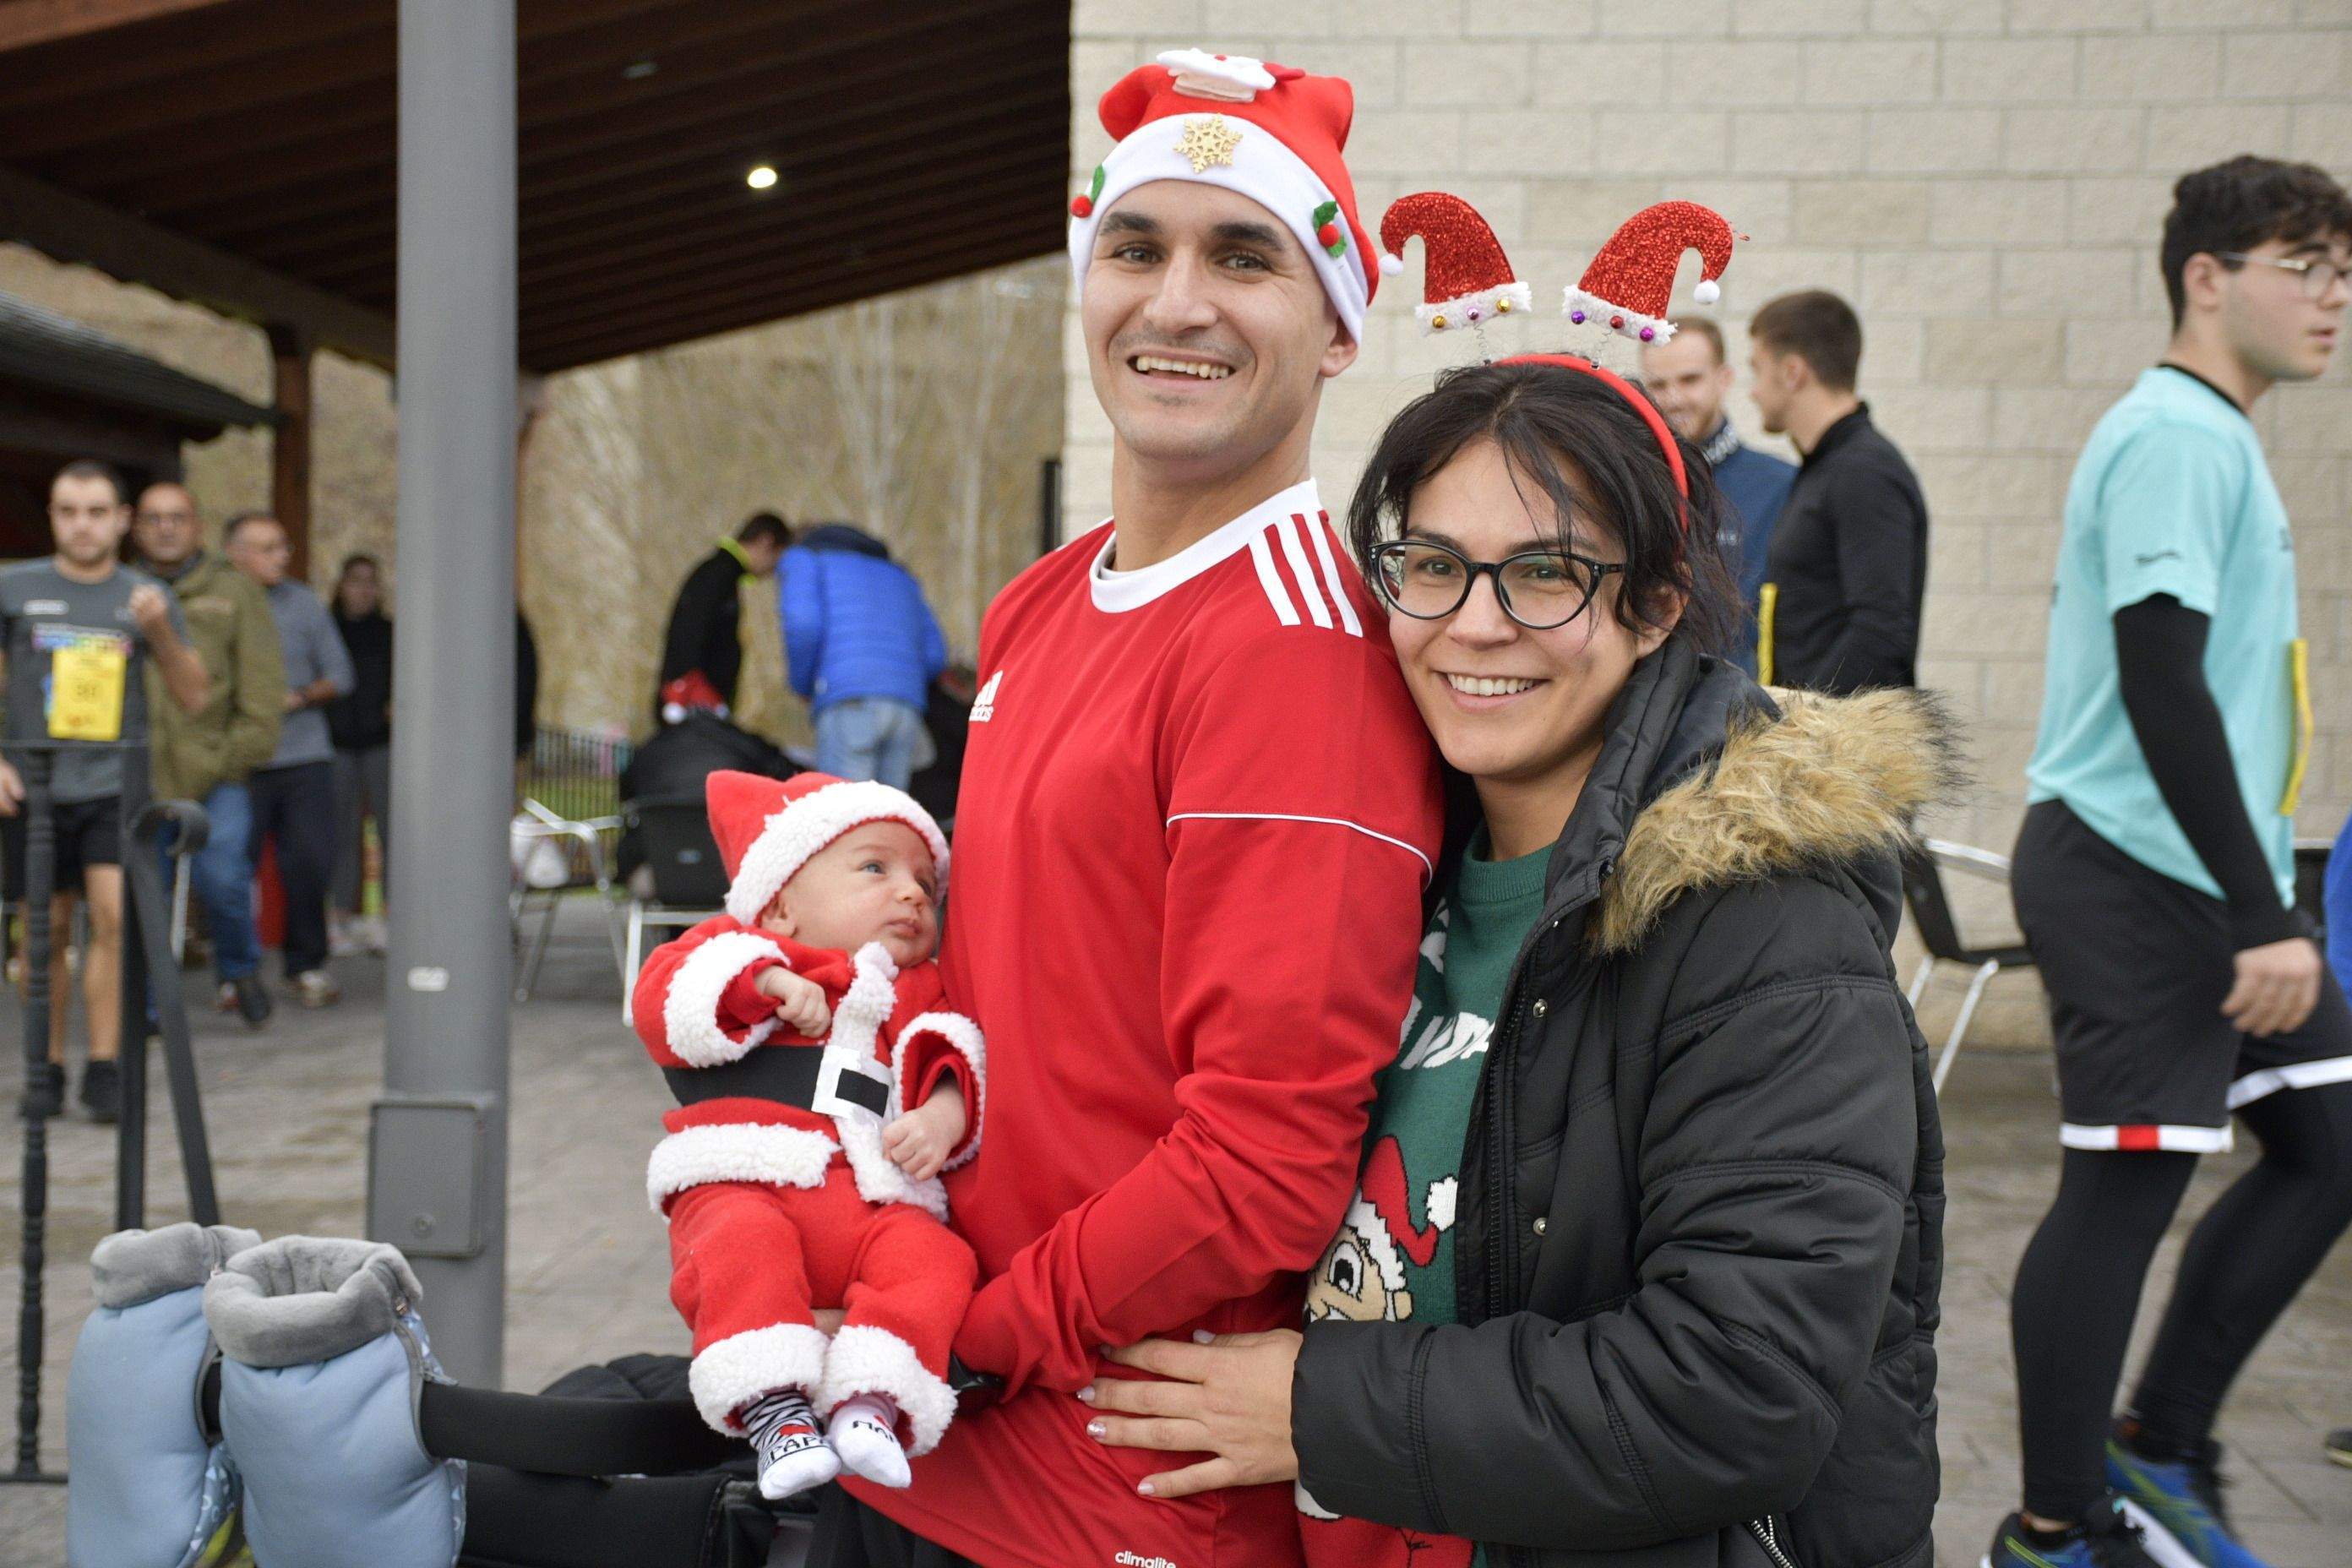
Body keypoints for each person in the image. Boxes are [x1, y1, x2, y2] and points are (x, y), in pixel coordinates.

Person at [1086, 351, 1948, 1567]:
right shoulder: (1375, 860)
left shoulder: (1771, 936)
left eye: (1546, 573)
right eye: (1432, 567)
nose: (1473, 625)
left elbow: (1739, 1389)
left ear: (1656, 604)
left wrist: (1313, 1408)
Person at [812, 48, 1442, 1568]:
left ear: (1336, 324)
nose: (1175, 303)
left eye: (1244, 257)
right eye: (1135, 249)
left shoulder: (1297, 650)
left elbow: (1260, 1167)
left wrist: (974, 1331)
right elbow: (1005, 963)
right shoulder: (1041, 598)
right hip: (932, 1424)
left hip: (1104, 1492)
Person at [1993, 155, 2352, 1568]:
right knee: (2121, 1186)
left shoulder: (2216, 437)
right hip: (2132, 872)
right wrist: (2266, 911)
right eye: (2303, 266)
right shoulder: (2169, 435)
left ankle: (2153, 1446)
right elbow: (2157, 674)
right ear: (2205, 278)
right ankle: (2051, 1527)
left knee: (2330, 1141)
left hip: (2205, 883)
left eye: (2340, 272)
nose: (2331, 298)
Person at [633, 770, 983, 1502]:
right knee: (737, 1247)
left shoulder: (916, 987)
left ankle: (873, 1399)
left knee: (938, 1261)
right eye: (875, 867)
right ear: (782, 904)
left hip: (871, 1207)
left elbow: (952, 1046)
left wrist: (943, 1114)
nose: (914, 892)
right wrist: (758, 982)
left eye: (925, 880)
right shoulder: (738, 948)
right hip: (750, 1179)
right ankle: (774, 1409)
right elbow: (666, 999)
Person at [1, 460, 207, 1120]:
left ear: (122, 521)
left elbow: (194, 694)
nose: (81, 525)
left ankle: (109, 1066)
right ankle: (48, 1064)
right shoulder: (15, 587)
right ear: (54, 518)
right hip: (31, 787)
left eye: (96, 512)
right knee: (45, 928)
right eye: (68, 511)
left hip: (111, 786)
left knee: (116, 921)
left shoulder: (145, 596)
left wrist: (159, 633)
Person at [132, 481, 285, 1026]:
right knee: (145, 895)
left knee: (223, 880)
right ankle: (147, 1010)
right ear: (136, 526)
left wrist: (234, 757)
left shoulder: (234, 590)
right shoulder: (121, 587)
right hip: (141, 776)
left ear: (197, 526)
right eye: (153, 518)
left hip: (217, 771)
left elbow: (264, 685)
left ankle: (240, 969)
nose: (166, 528)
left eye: (177, 517)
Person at [1747, 289, 1928, 693]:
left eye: (1757, 370)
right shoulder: (1827, 468)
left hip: (1844, 749)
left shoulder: (1865, 473)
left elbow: (1882, 634)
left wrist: (1802, 728)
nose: (1753, 391)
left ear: (1793, 372)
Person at [226, 512, 355, 1009]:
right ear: (237, 554)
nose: (282, 556)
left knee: (309, 863)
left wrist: (297, 698)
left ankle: (307, 966)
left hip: (304, 758)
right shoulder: (216, 605)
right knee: (229, 870)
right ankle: (234, 973)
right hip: (240, 760)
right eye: (269, 547)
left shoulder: (304, 604)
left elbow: (340, 676)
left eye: (283, 546)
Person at [1640, 317, 1793, 674]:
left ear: (1724, 379)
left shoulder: (1782, 486)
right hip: (1647, 707)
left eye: (1690, 380)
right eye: (1658, 384)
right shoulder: (1636, 485)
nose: (1674, 398)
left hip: (1749, 709)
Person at [779, 523, 947, 791]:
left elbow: (803, 625)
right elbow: (936, 654)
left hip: (848, 699)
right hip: (905, 706)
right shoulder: (899, 574)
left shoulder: (804, 558)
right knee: (889, 815)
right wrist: (900, 680)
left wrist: (802, 683)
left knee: (846, 814)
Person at [658, 511, 789, 722]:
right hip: (693, 708)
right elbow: (688, 632)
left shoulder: (724, 575)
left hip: (702, 707)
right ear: (766, 542)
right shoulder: (717, 575)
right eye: (776, 559)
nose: (772, 571)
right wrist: (686, 691)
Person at [327, 553, 392, 956]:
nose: (363, 590)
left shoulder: (391, 633)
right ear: (341, 585)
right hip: (337, 743)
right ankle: (339, 915)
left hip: (382, 742)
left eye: (371, 581)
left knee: (391, 828)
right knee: (341, 832)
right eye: (355, 580)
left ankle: (383, 916)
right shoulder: (327, 629)